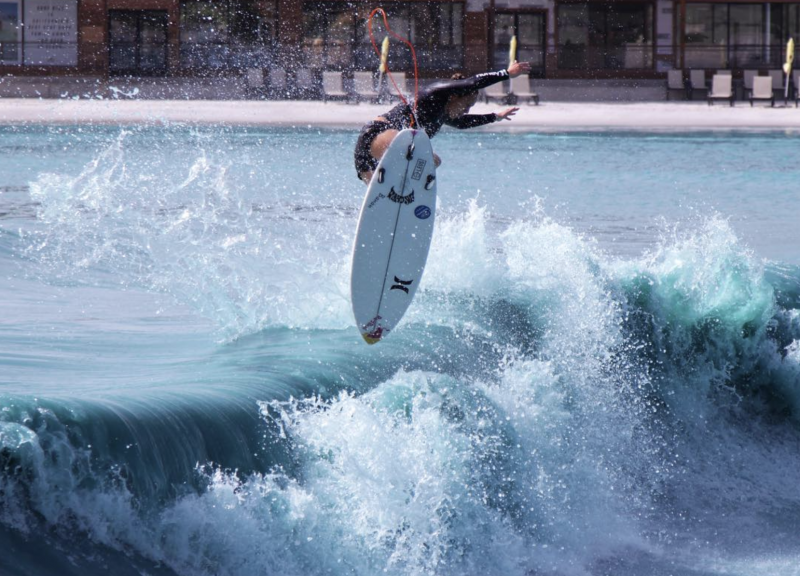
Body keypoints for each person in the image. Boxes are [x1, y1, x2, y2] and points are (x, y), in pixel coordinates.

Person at [354, 60, 533, 183]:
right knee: (417, 158)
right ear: (455, 96)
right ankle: (397, 185)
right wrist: (506, 74)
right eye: (466, 105)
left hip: (381, 156)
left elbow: (463, 123)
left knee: (433, 162)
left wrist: (495, 116)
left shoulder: (444, 115)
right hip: (376, 135)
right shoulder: (434, 94)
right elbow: (472, 82)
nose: (467, 110)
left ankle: (403, 198)